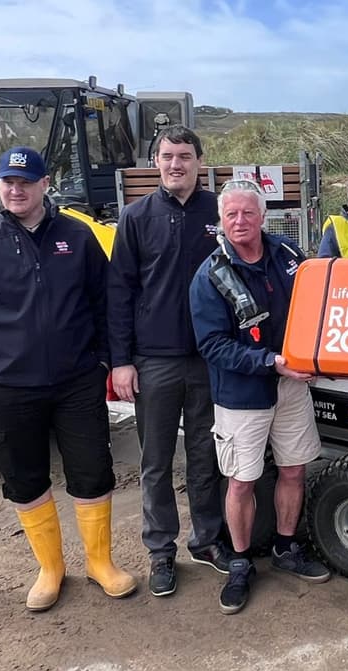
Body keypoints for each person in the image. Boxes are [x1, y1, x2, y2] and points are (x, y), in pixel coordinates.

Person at [0, 147, 136, 611]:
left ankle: (99, 563)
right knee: (24, 479)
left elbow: (104, 299)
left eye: (25, 182)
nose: (15, 190)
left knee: (92, 470)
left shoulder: (77, 235)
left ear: (44, 184)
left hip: (76, 381)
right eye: (8, 182)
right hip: (9, 388)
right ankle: (50, 569)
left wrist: (104, 362)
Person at [190, 180, 331, 616]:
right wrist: (270, 362)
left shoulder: (288, 255)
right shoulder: (210, 275)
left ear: (262, 214)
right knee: (241, 481)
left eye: (247, 213)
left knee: (293, 470)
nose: (239, 222)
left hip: (292, 386)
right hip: (242, 394)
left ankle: (287, 548)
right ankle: (239, 562)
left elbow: (319, 299)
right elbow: (211, 345)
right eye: (230, 214)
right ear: (220, 219)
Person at [107, 125, 228, 597]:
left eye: (184, 156)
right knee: (155, 460)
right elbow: (119, 292)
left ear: (200, 162)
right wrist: (121, 361)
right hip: (153, 360)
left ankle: (208, 539)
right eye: (167, 156)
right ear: (155, 162)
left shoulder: (218, 212)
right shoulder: (136, 217)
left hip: (208, 358)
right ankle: (161, 551)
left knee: (205, 455)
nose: (175, 164)